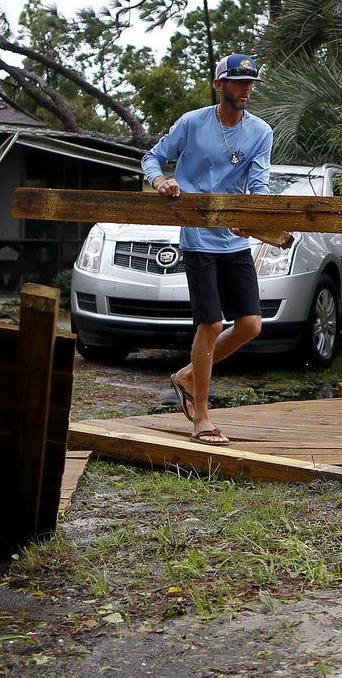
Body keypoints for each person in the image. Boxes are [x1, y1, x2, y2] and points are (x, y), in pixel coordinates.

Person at [140, 53, 273, 446]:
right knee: (211, 324)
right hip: (197, 237)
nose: (246, 89)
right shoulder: (192, 122)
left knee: (250, 325)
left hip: (234, 238)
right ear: (220, 84)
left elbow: (259, 185)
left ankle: (185, 375)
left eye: (250, 83)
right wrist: (161, 181)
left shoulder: (261, 131)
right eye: (238, 82)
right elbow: (152, 158)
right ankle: (201, 417)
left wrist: (253, 217)